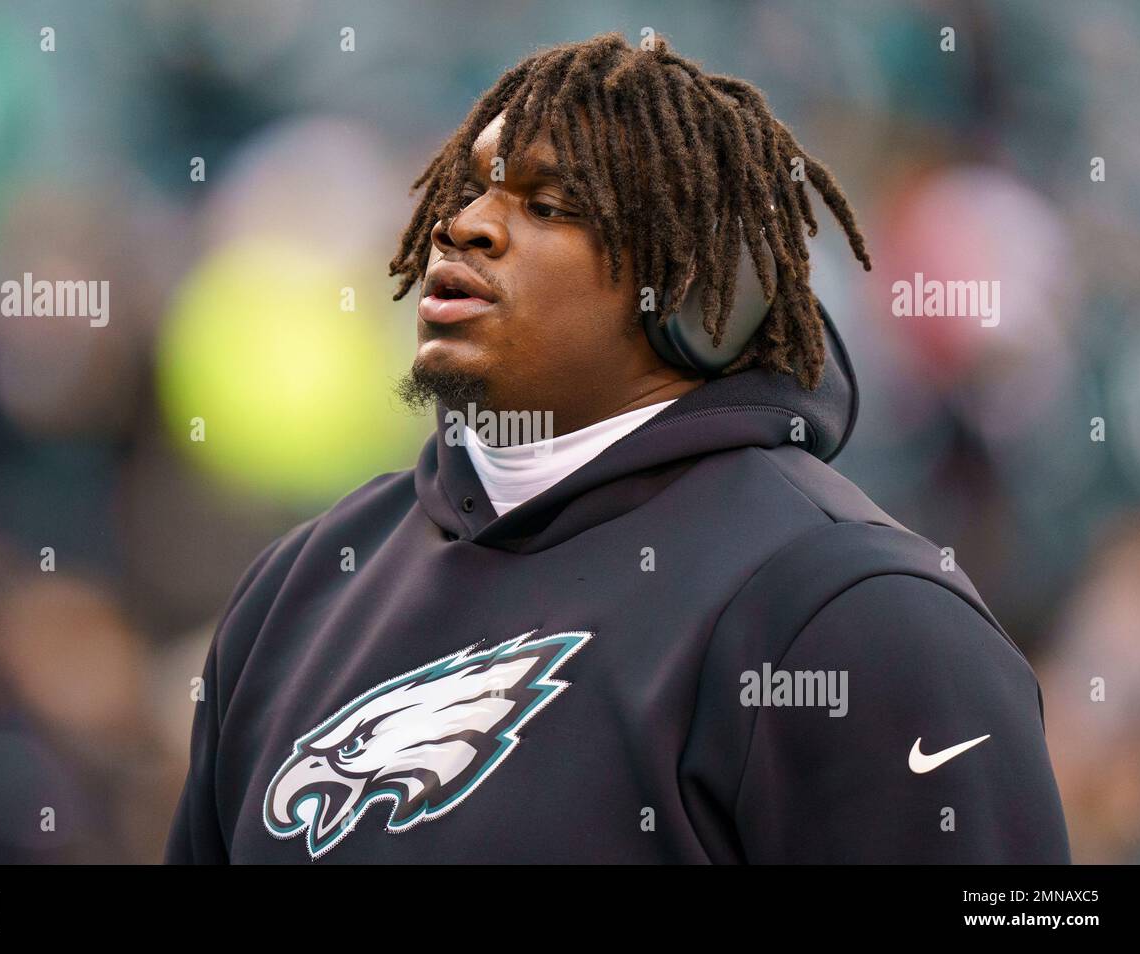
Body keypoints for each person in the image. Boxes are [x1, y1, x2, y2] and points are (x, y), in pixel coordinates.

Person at [165, 32, 1070, 863]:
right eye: (469, 189)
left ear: (701, 293)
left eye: (547, 203)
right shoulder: (302, 587)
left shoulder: (857, 616)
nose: (466, 224)